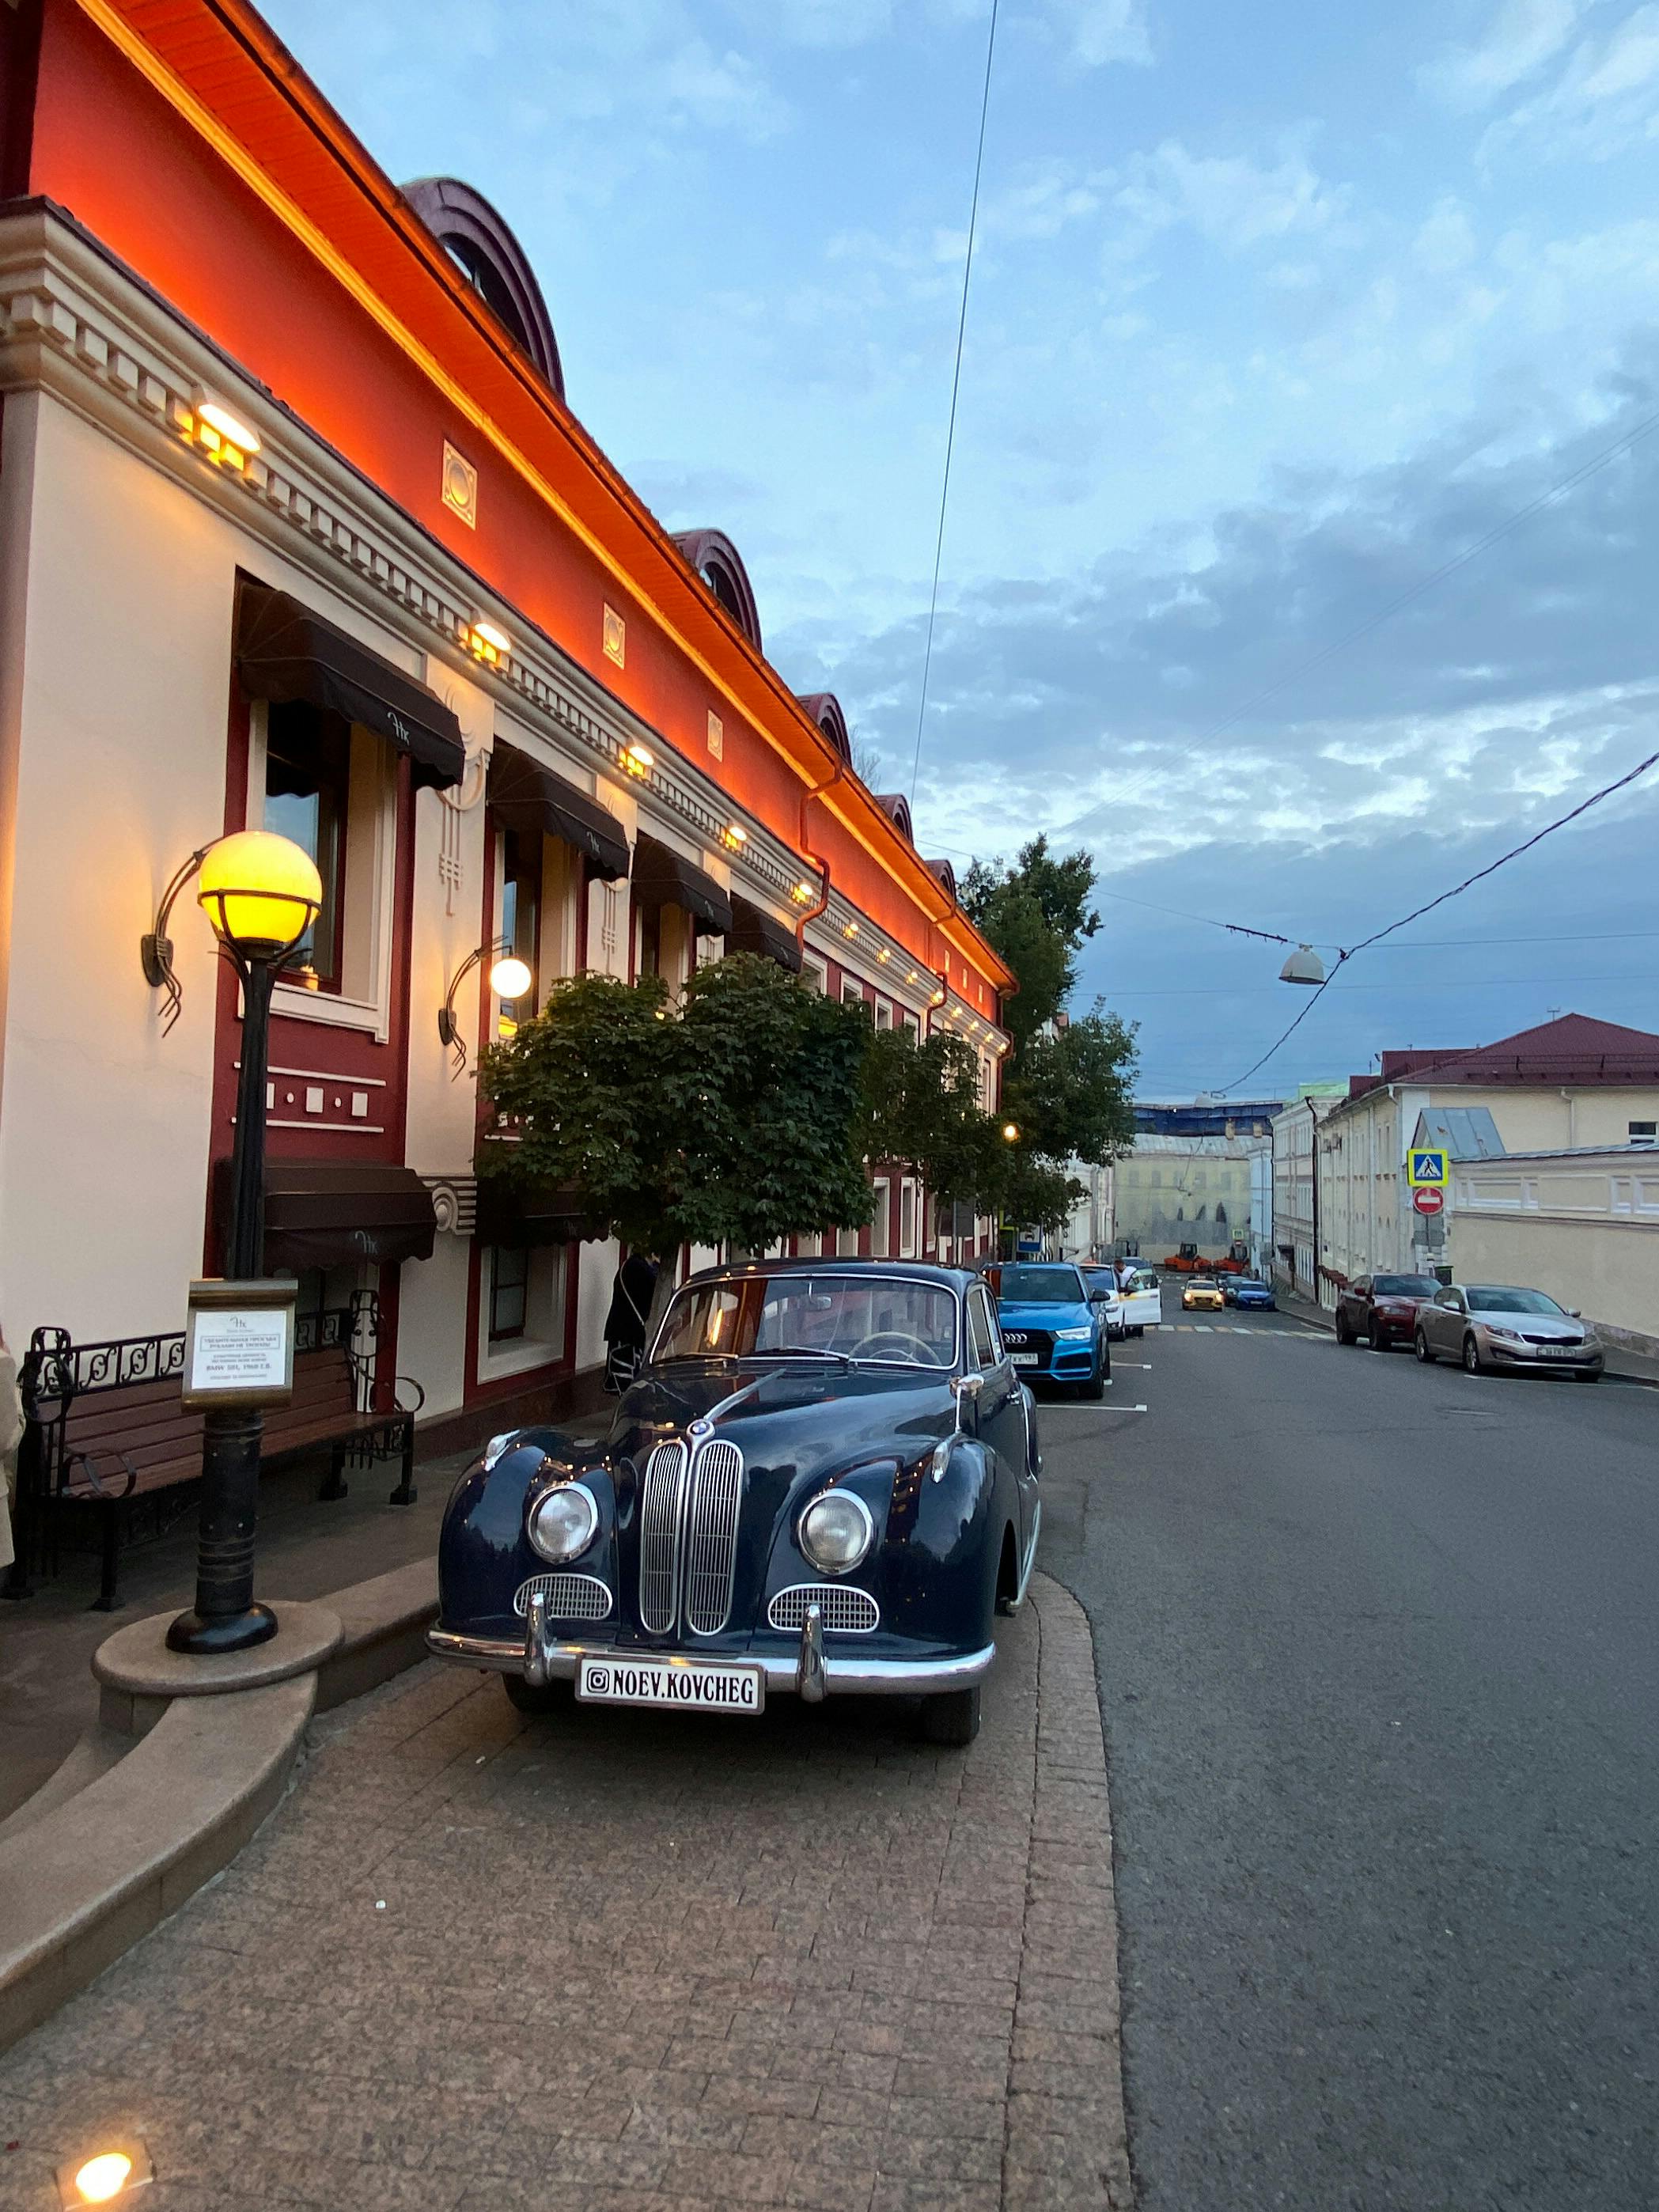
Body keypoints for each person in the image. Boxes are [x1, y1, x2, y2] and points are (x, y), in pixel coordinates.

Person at [603, 1252, 659, 1394]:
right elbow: (658, 1289)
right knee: (630, 1383)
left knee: (627, 1382)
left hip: (624, 1333)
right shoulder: (638, 1267)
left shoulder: (631, 1266)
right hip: (629, 1334)